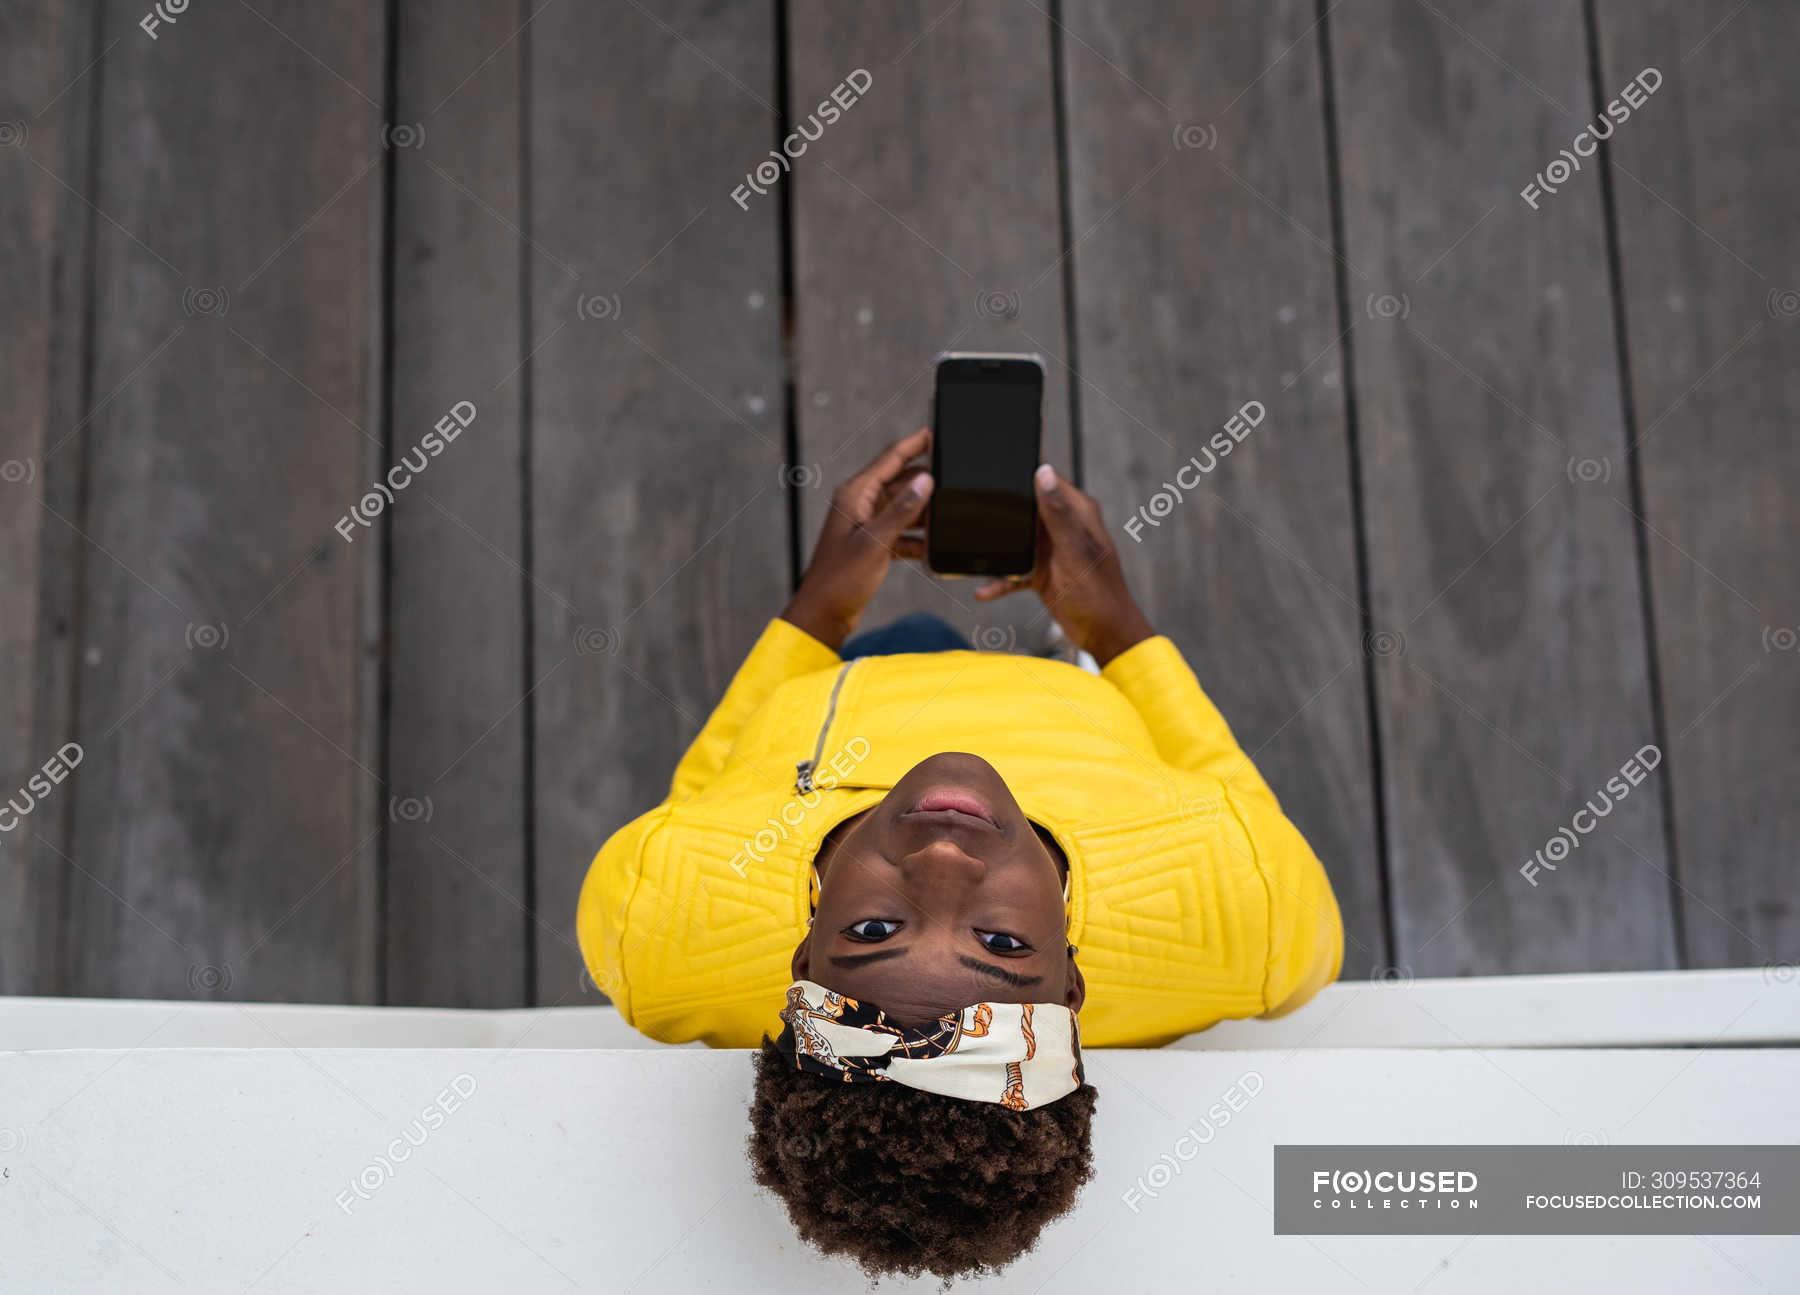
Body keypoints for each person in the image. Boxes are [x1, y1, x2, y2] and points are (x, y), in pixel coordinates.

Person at [577, 427, 1343, 1280]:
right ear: (1074, 986)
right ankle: (1063, 661)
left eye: (872, 929)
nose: (944, 858)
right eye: (1004, 946)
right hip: (1075, 709)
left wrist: (821, 613)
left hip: (858, 683)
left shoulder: (652, 928)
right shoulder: (1257, 923)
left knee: (900, 632)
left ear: (799, 955)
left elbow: (712, 793)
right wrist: (1114, 628)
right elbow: (1229, 796)